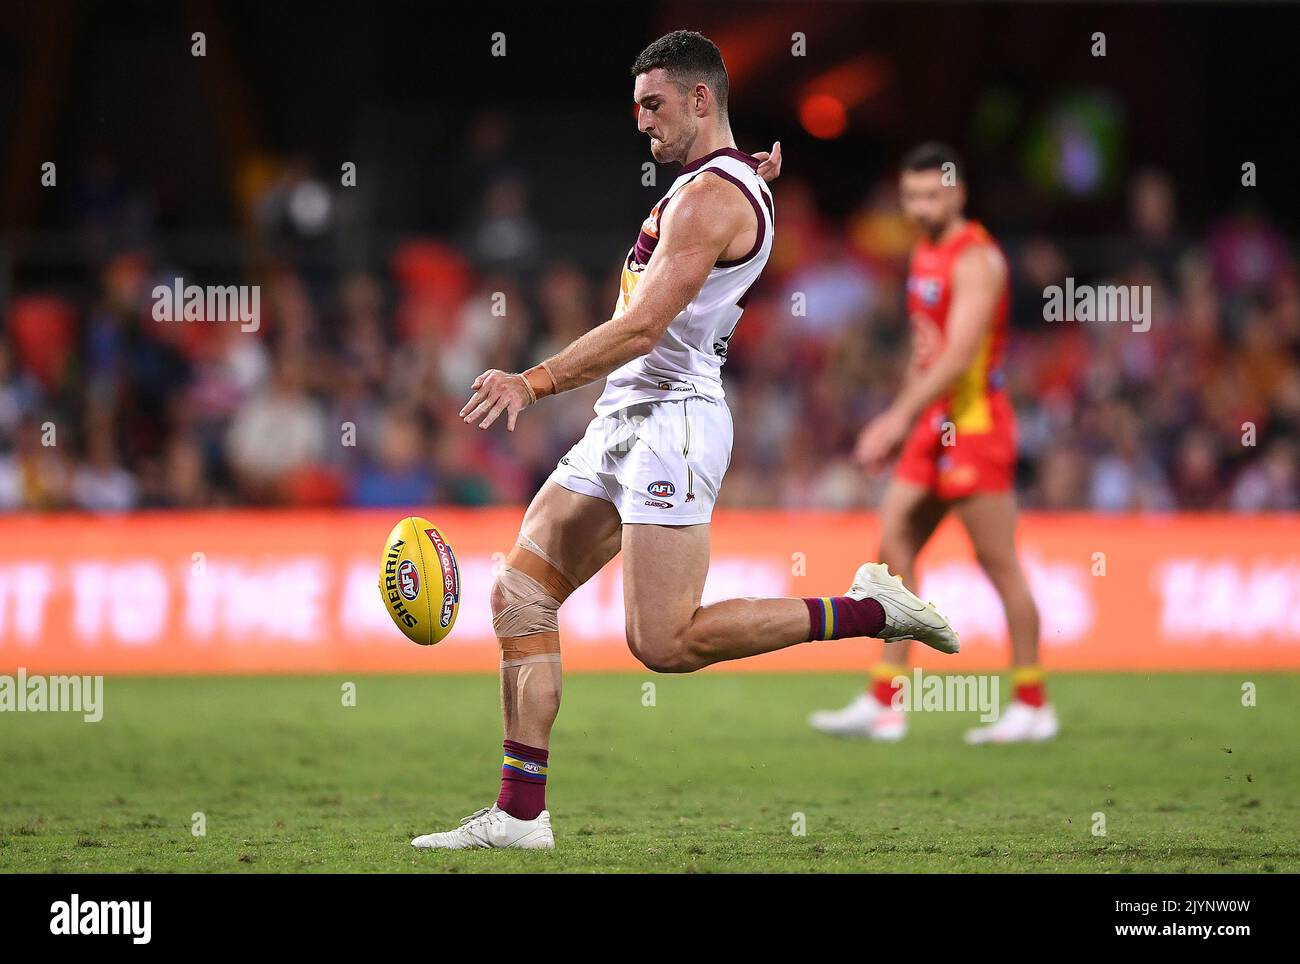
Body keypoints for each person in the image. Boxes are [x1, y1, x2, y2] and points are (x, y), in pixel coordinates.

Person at [412, 33, 958, 851]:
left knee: (663, 643)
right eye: (637, 108)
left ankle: (872, 609)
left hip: (673, 418)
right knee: (518, 594)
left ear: (702, 99)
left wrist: (532, 381)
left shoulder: (711, 198)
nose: (642, 123)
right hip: (627, 414)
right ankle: (521, 814)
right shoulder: (720, 188)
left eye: (655, 105)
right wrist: (747, 179)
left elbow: (641, 327)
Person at [810, 143, 1056, 745]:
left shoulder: (979, 260)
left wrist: (894, 419)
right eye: (911, 195)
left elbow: (956, 358)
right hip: (929, 428)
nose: (920, 207)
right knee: (891, 547)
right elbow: (923, 353)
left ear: (958, 192)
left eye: (932, 195)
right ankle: (886, 700)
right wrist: (903, 419)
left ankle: (1032, 702)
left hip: (972, 426)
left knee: (998, 563)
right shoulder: (923, 253)